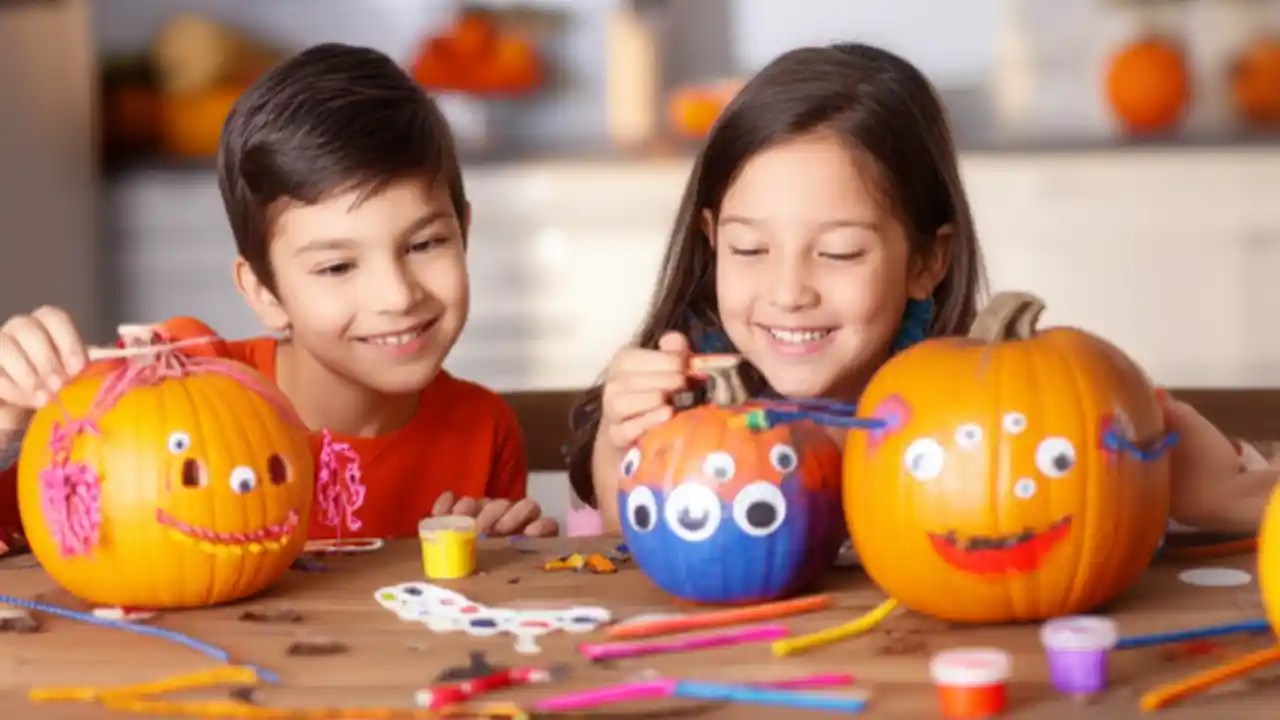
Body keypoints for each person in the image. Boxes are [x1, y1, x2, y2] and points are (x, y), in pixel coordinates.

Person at [563, 42, 1278, 536]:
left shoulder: (985, 405)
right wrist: (619, 447)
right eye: (750, 248)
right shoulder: (683, 397)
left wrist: (1188, 466)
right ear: (712, 238)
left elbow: (1189, 464)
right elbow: (634, 536)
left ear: (927, 263)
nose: (787, 291)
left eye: (839, 252)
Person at [0, 43, 558, 549]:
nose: (396, 294)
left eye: (425, 243)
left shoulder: (485, 431)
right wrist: (8, 425)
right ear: (264, 291)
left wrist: (503, 550)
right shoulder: (185, 385)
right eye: (338, 266)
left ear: (464, 231)